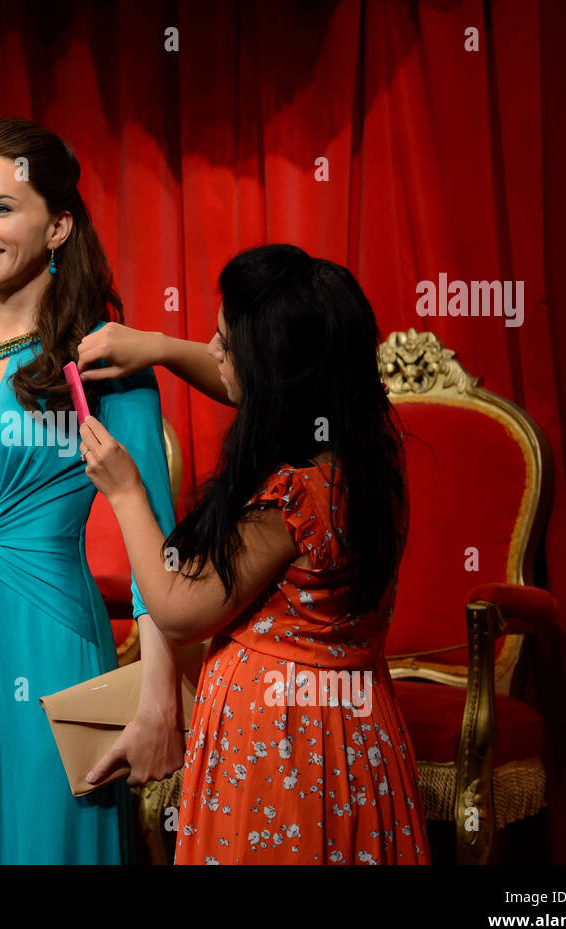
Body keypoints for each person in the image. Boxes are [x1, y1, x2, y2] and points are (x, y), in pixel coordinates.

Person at [78, 244, 430, 864]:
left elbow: (179, 609)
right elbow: (260, 385)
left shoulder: (293, 500)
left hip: (281, 750)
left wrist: (127, 491)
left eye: (223, 342)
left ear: (270, 373)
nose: (210, 351)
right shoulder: (363, 446)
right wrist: (157, 346)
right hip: (353, 735)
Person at [0, 118, 180, 864]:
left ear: (58, 225)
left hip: (55, 642)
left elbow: (155, 539)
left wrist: (159, 693)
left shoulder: (100, 356)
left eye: (1, 207)